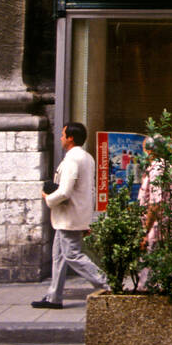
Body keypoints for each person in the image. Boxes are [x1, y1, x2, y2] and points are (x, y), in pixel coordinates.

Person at [32, 122, 108, 308]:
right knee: (58, 256)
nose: (61, 137)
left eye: (63, 134)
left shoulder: (73, 159)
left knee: (72, 255)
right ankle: (54, 297)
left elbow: (65, 192)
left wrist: (48, 198)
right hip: (74, 215)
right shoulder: (87, 157)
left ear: (71, 138)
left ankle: (106, 283)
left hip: (69, 216)